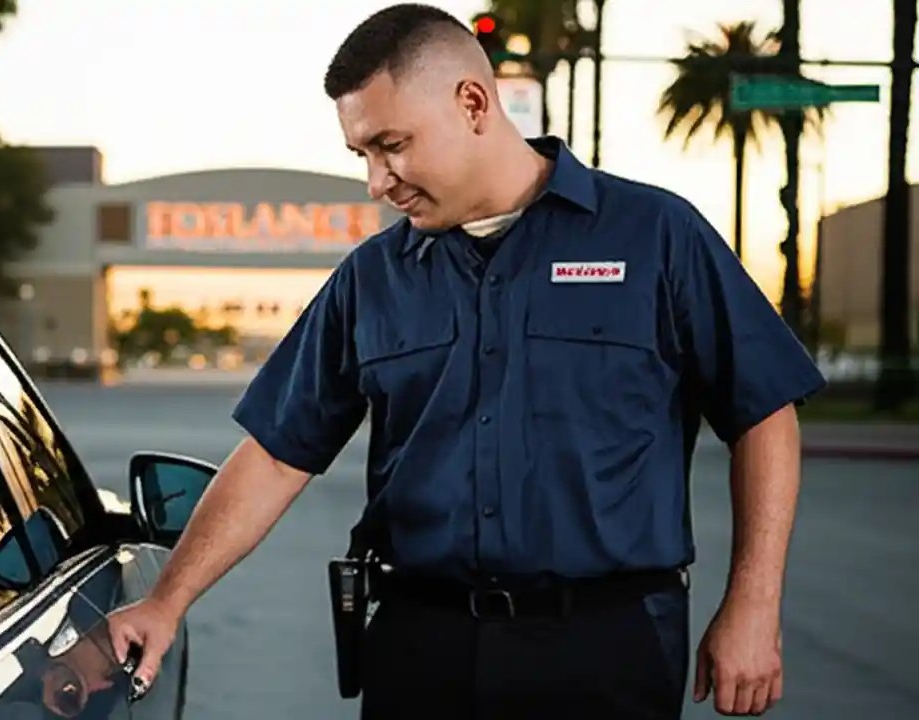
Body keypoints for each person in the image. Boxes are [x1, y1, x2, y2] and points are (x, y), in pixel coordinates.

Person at [107, 4, 827, 718]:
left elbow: (763, 413)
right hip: (421, 647)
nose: (377, 182)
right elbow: (274, 454)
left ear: (474, 102)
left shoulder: (656, 236)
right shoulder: (371, 279)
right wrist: (166, 602)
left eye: (392, 145)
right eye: (362, 155)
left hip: (608, 646)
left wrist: (754, 605)